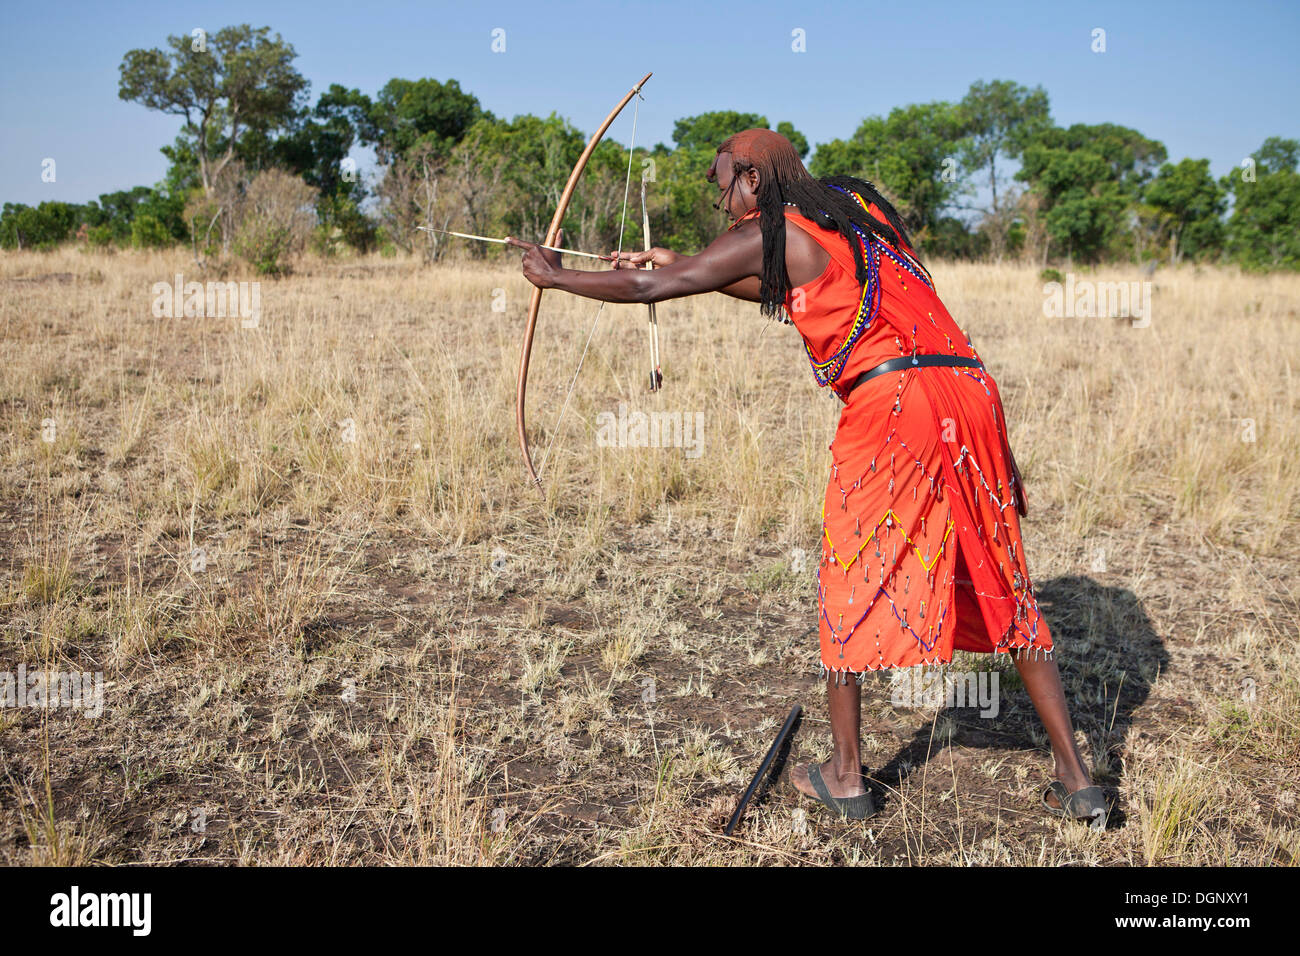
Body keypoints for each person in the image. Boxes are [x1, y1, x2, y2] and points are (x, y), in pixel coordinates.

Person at [506, 128, 1106, 830]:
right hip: (968, 393)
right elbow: (785, 279)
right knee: (1002, 579)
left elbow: (652, 286)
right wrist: (686, 261)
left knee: (848, 572)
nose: (720, 196)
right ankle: (1077, 778)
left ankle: (847, 776)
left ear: (753, 181)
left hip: (894, 405)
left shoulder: (773, 225)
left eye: (721, 181)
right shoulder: (855, 210)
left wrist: (557, 276)